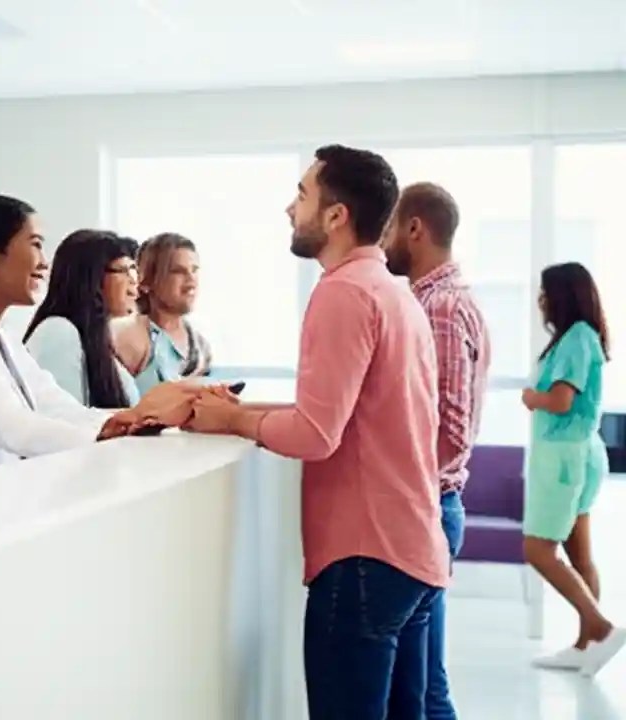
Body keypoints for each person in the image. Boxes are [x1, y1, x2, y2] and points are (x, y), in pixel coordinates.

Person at [186, 145, 447, 719]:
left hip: (365, 559)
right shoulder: (395, 294)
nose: (289, 208)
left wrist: (234, 421)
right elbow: (347, 411)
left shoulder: (342, 292)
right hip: (414, 551)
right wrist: (243, 410)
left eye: (301, 195)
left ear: (336, 216)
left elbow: (315, 434)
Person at [0, 193, 203, 489]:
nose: (45, 263)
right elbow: (9, 424)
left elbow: (57, 407)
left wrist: (130, 420)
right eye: (35, 244)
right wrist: (109, 431)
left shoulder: (1, 339)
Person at [381, 182, 491, 719]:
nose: (381, 243)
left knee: (423, 692)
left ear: (414, 229)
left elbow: (450, 432)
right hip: (433, 507)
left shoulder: (439, 308)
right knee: (424, 685)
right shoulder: (440, 300)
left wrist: (394, 476)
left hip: (427, 506)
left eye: (387, 229)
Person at [520, 262, 622, 677]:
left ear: (562, 295)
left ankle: (600, 628)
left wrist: (532, 398)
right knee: (580, 554)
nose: (541, 300)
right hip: (578, 453)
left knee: (538, 549)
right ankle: (586, 647)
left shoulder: (577, 337)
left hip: (563, 456)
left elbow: (561, 401)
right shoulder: (580, 337)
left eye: (545, 292)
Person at [23, 230, 141, 408]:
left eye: (133, 270)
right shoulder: (58, 332)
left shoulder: (100, 345)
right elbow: (62, 417)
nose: (134, 280)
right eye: (123, 270)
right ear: (91, 278)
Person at [112, 233, 213, 398]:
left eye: (194, 270)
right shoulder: (127, 336)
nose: (191, 281)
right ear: (146, 282)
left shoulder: (200, 346)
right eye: (177, 271)